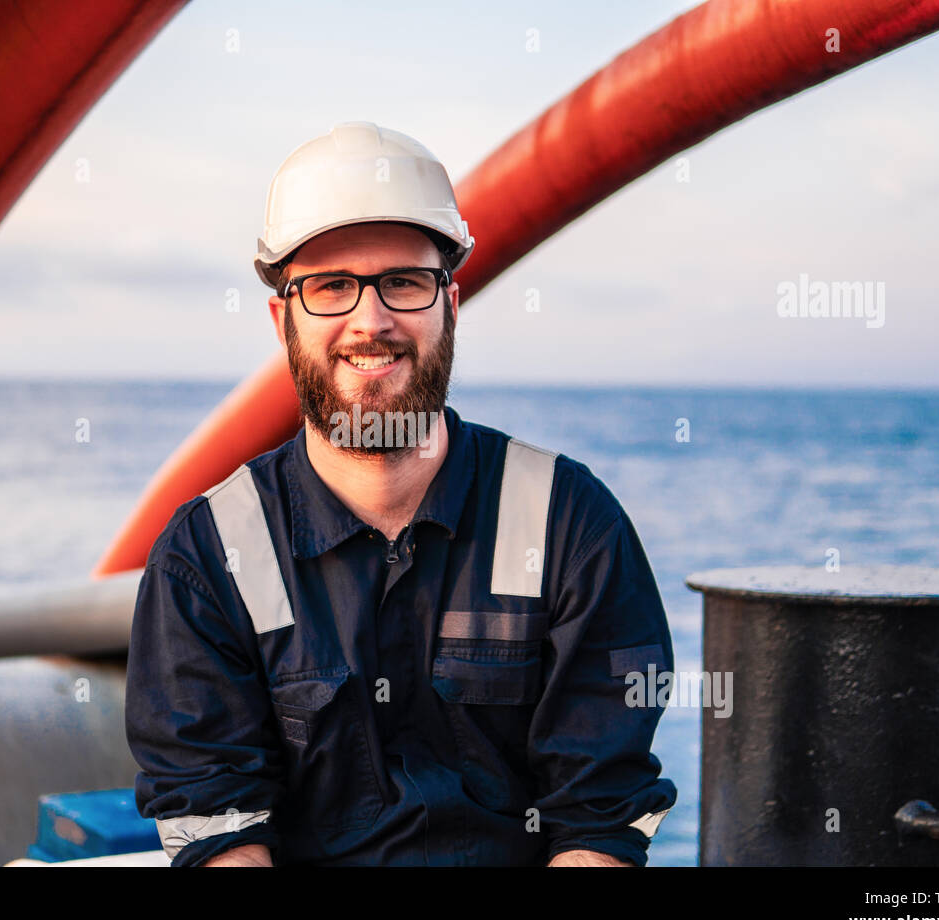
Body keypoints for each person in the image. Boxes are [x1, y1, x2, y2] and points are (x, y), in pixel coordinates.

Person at [125, 121, 676, 866]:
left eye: (404, 282)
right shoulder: (206, 556)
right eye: (330, 287)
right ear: (282, 319)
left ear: (451, 303)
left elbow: (597, 821)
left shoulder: (571, 524)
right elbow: (220, 830)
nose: (371, 320)